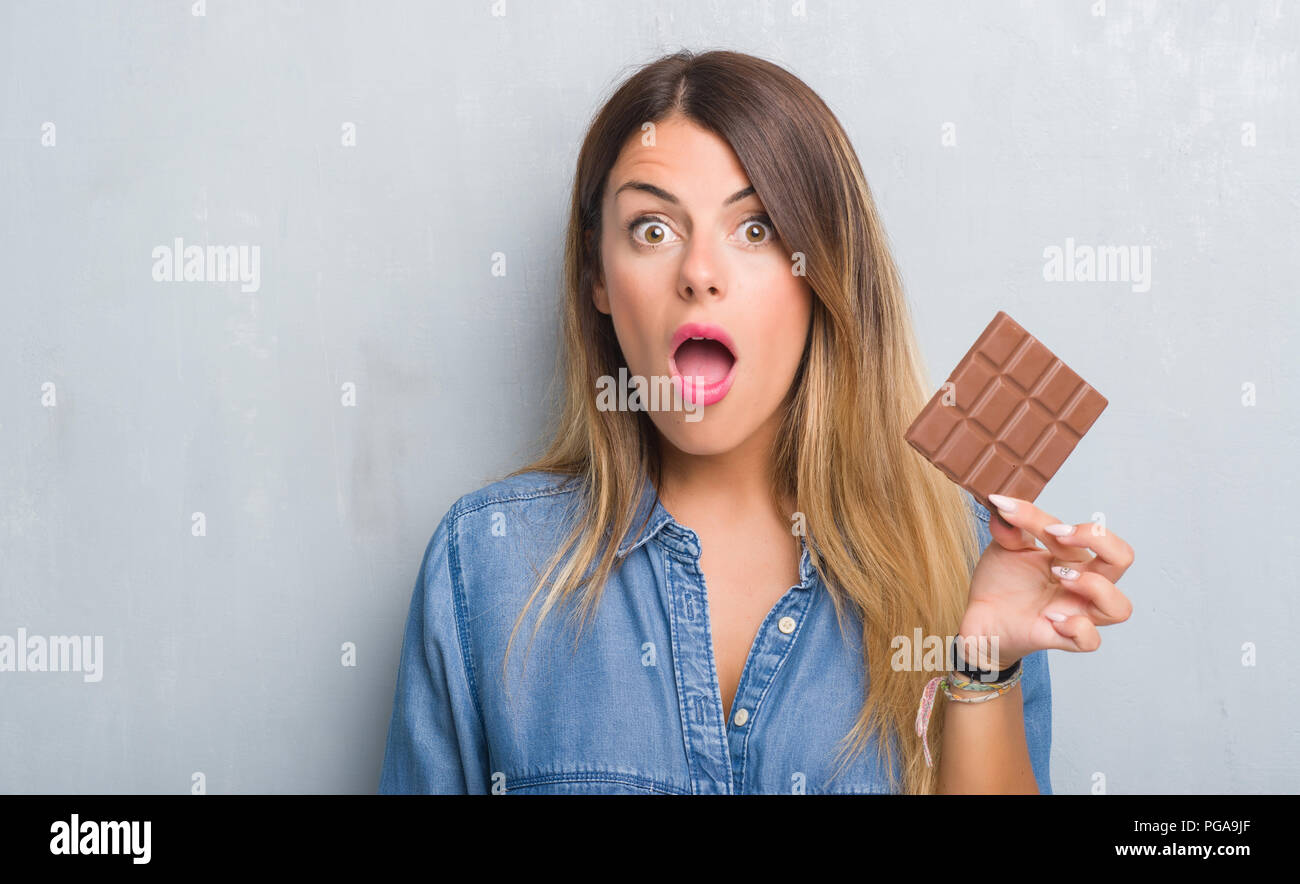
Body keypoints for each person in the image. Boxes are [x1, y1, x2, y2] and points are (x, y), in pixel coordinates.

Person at [378, 49, 1135, 795]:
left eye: (756, 229)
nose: (699, 272)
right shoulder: (487, 563)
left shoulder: (967, 558)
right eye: (651, 229)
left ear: (825, 274)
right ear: (598, 278)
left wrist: (982, 667)